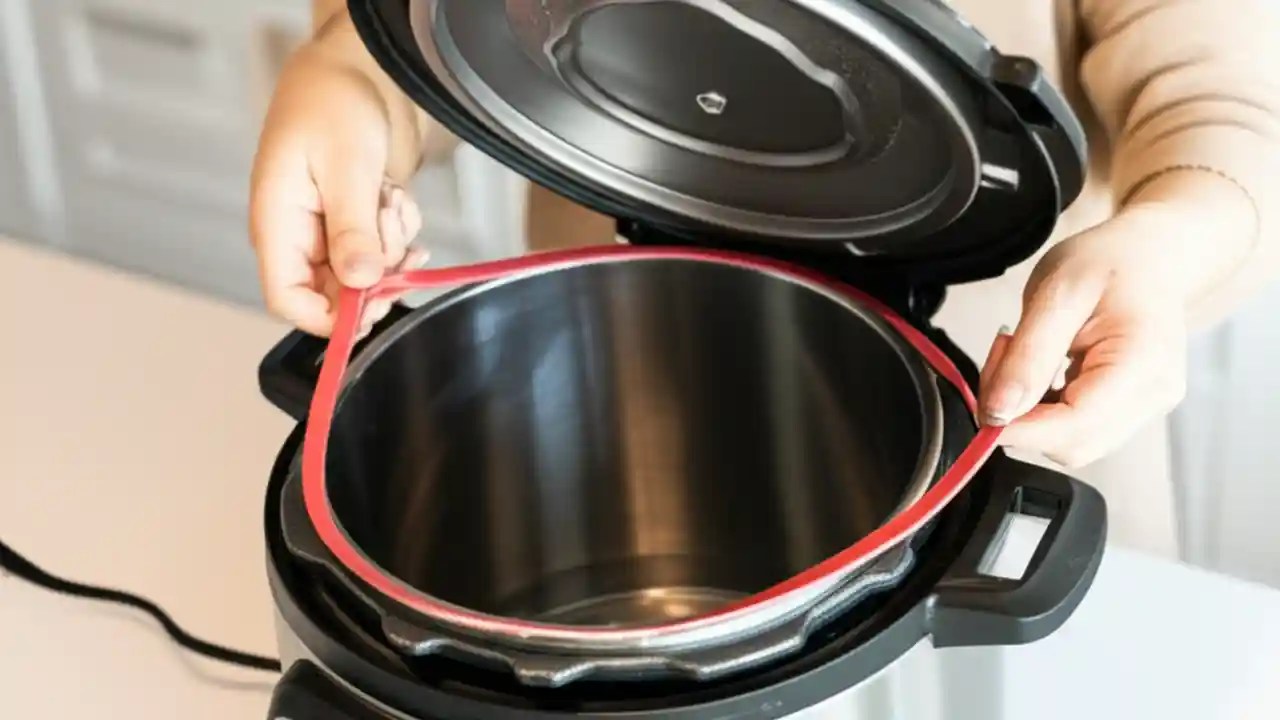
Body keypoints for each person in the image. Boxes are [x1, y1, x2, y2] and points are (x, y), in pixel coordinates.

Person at [250, 0, 1280, 558]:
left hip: (1031, 403)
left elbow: (1227, 97)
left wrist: (1174, 237)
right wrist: (351, 79)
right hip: (615, 350)